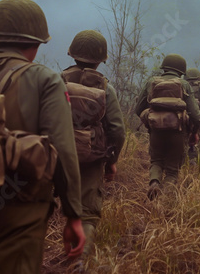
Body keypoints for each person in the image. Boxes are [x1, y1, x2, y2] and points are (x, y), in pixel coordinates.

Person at [0, 0, 84, 273]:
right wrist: (73, 214)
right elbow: (62, 150)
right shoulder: (45, 79)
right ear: (36, 44)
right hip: (22, 208)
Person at [59, 29, 126, 257]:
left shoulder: (55, 81)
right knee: (87, 214)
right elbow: (117, 130)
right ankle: (80, 259)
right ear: (100, 60)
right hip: (91, 156)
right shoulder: (106, 89)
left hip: (56, 154)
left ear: (71, 53)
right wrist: (111, 161)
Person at [133, 54, 200, 200]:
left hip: (156, 131)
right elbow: (196, 116)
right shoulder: (184, 85)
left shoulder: (151, 82)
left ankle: (154, 183)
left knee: (156, 161)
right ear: (181, 71)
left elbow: (138, 109)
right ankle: (165, 201)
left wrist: (150, 120)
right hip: (178, 132)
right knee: (172, 170)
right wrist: (194, 132)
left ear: (164, 68)